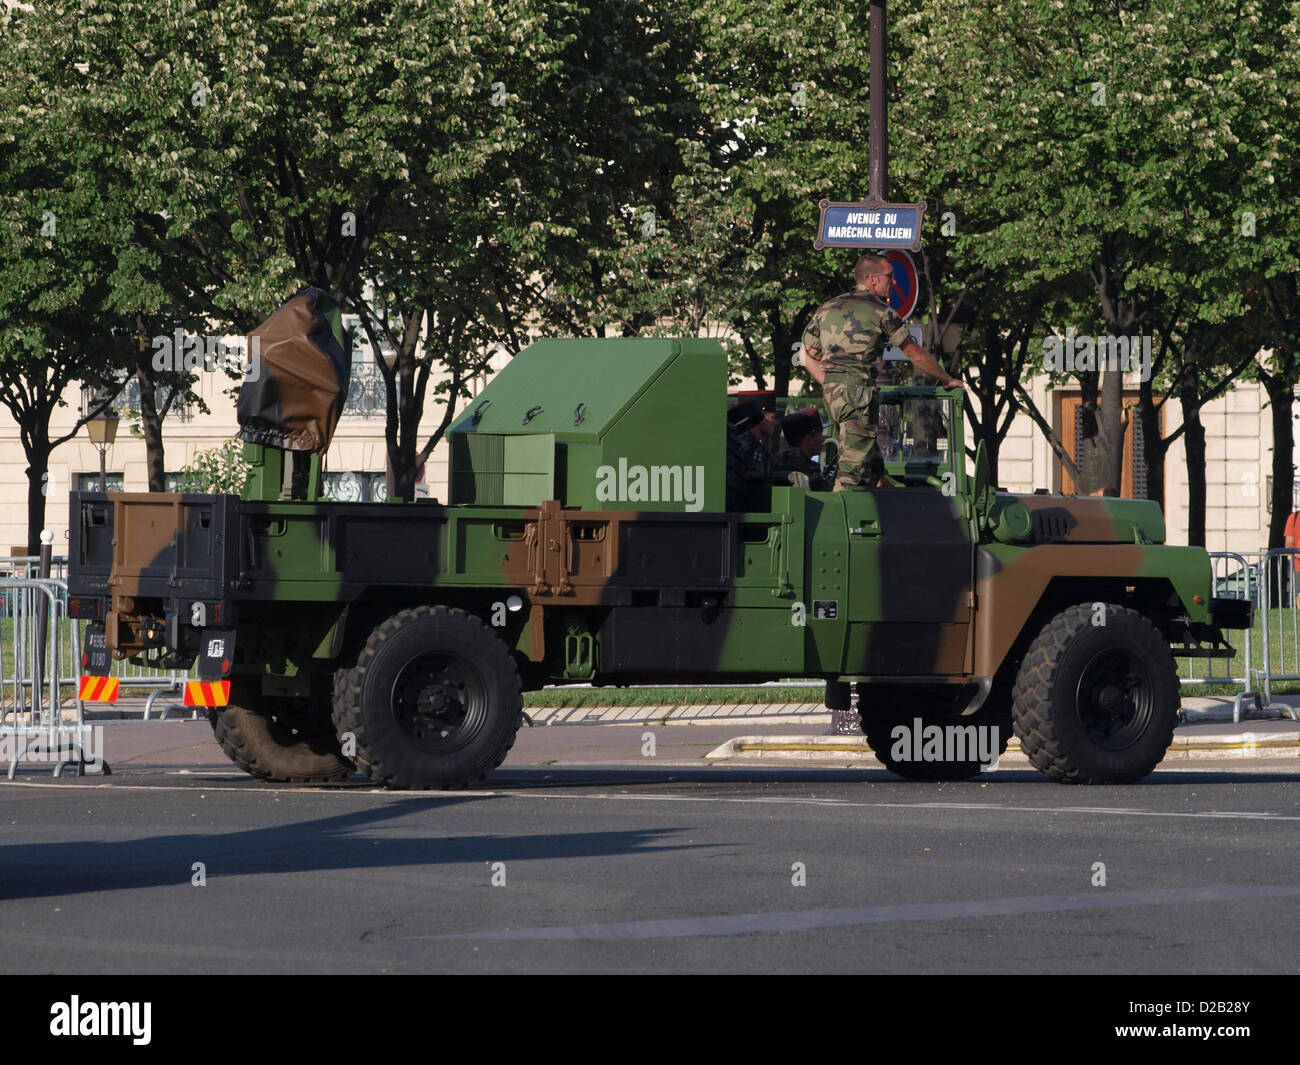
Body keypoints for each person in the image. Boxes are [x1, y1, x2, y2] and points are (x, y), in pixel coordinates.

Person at [801, 254, 964, 490]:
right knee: (851, 475)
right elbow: (915, 354)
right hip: (859, 396)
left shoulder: (827, 308)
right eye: (890, 276)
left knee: (873, 465)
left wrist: (832, 384)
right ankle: (838, 521)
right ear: (873, 279)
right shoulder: (880, 310)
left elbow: (807, 355)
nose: (894, 283)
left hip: (834, 395)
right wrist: (947, 379)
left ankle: (885, 515)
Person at [726, 400, 782, 509]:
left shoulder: (743, 444)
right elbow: (755, 482)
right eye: (772, 417)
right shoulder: (750, 448)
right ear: (761, 419)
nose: (775, 422)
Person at [774, 407, 833, 491]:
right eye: (820, 434)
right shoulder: (801, 467)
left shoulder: (787, 460)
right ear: (808, 440)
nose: (823, 439)